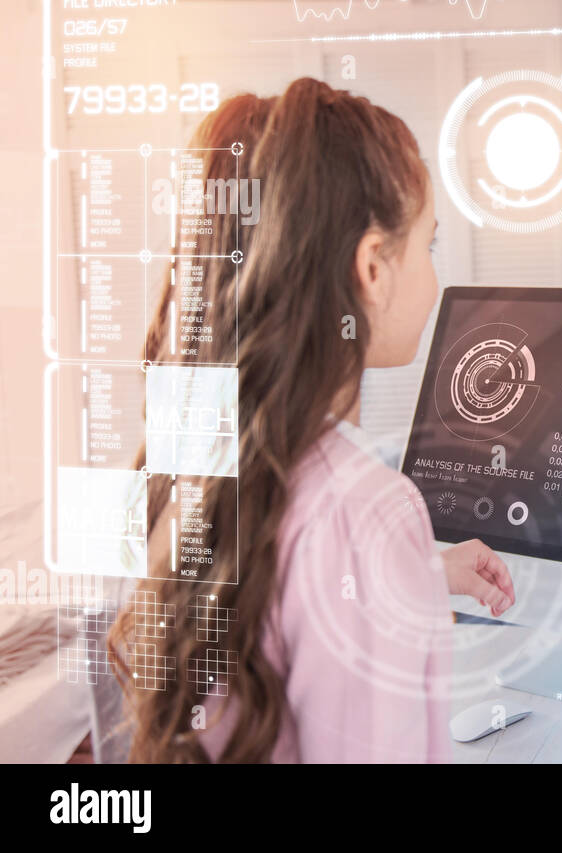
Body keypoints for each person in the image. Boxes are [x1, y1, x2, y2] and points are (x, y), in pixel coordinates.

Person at [106, 79, 515, 762]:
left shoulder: (191, 467)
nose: (436, 277)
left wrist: (415, 573)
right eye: (429, 246)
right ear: (373, 267)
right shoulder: (368, 512)